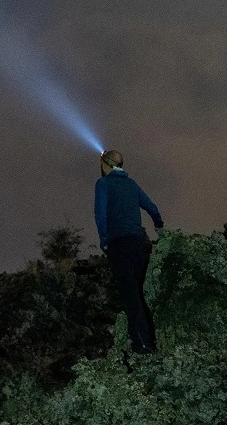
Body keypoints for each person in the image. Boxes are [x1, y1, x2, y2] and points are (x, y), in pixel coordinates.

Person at [95, 149, 164, 353]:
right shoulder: (131, 185)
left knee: (130, 296)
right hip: (139, 243)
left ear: (105, 164)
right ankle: (149, 340)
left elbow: (100, 214)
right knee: (139, 294)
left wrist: (104, 240)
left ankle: (143, 346)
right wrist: (159, 226)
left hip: (119, 244)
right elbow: (151, 207)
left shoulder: (103, 184)